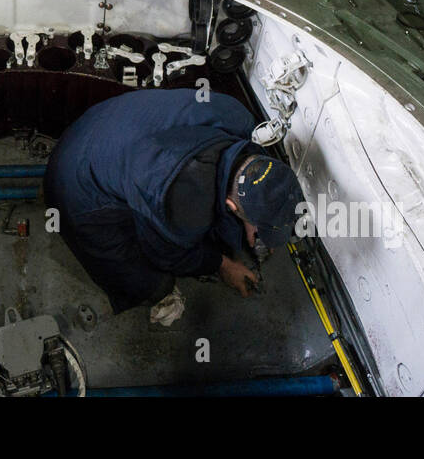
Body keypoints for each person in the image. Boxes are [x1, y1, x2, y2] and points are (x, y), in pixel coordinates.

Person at [44, 89, 303, 326]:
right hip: (75, 182)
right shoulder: (178, 199)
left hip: (104, 121)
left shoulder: (241, 118)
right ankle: (154, 292)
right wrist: (223, 264)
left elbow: (252, 174)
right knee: (147, 280)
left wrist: (251, 216)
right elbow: (168, 255)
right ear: (230, 204)